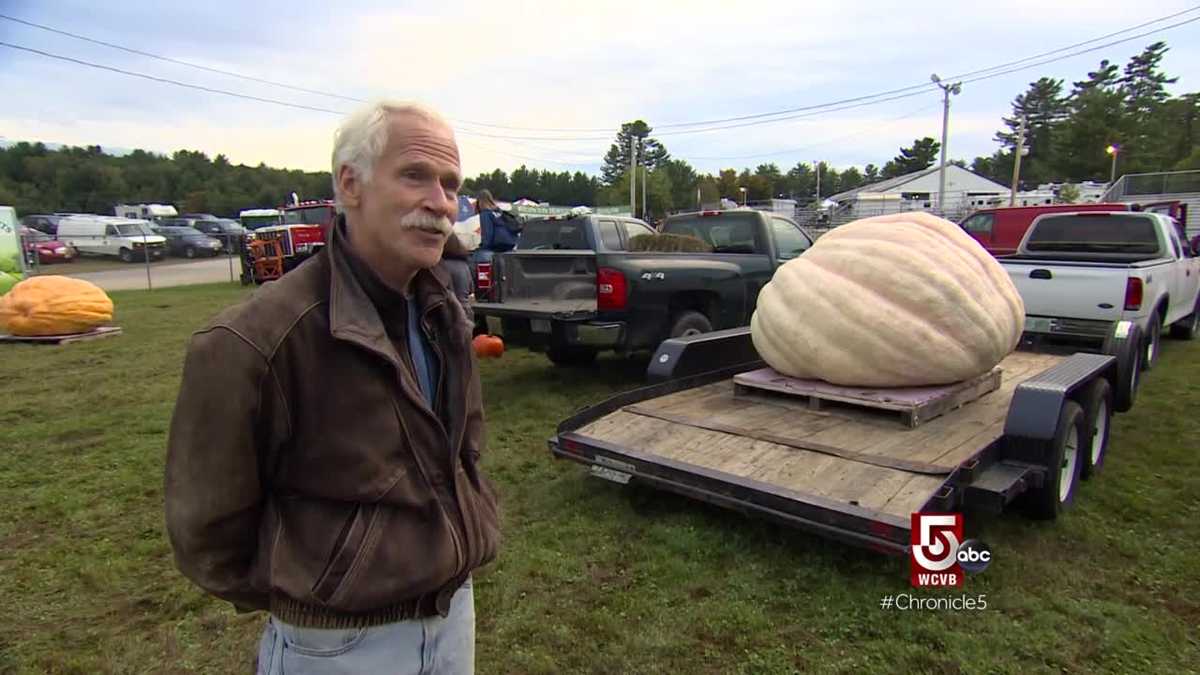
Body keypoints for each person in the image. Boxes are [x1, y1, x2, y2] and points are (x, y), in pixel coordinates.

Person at [165, 100, 500, 674]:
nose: (440, 202)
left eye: (450, 185)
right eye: (415, 175)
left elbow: (463, 450)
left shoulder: (444, 311)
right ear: (350, 184)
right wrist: (319, 592)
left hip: (453, 613)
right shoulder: (255, 340)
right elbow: (208, 533)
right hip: (339, 645)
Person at [441, 232, 475, 325]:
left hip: (449, 312)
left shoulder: (441, 265)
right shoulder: (464, 265)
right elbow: (471, 289)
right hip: (466, 310)